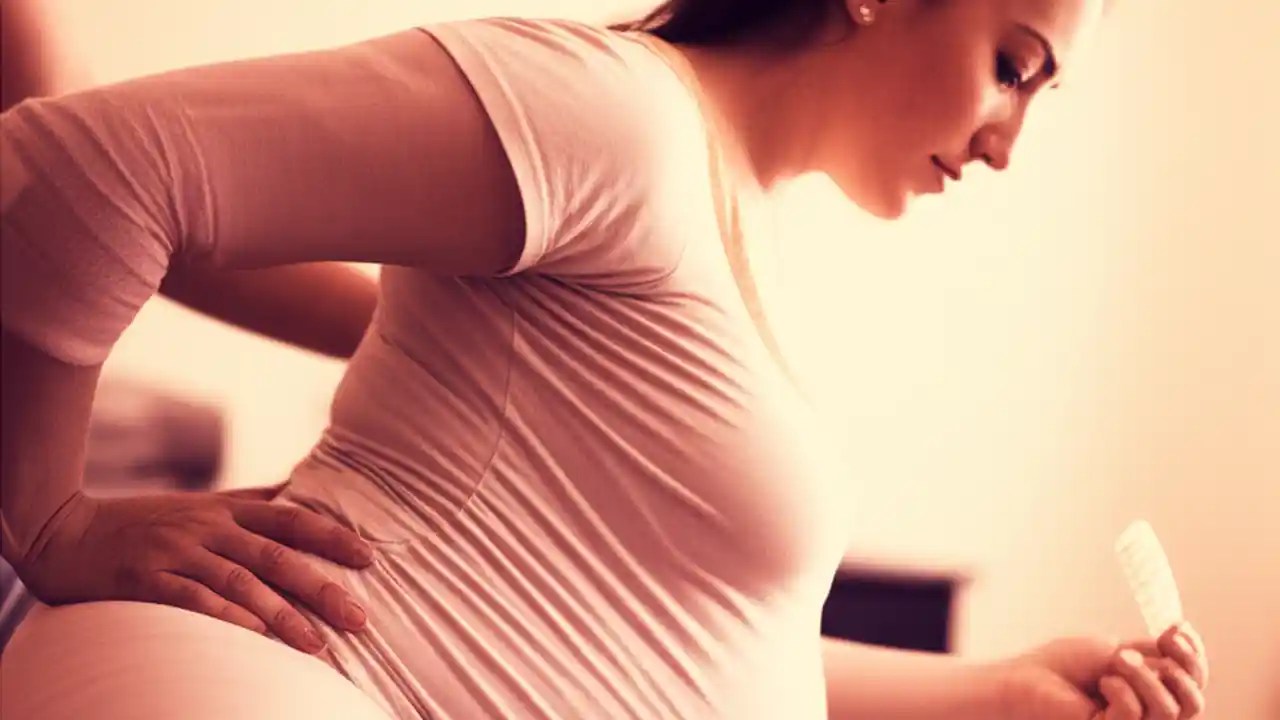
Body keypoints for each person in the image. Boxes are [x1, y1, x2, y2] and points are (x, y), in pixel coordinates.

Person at [0, 0, 1211, 718]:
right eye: (1012, 66)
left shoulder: (730, 232)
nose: (1007, 145)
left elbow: (708, 653)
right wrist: (49, 518)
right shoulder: (620, 124)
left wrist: (997, 690)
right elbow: (80, 171)